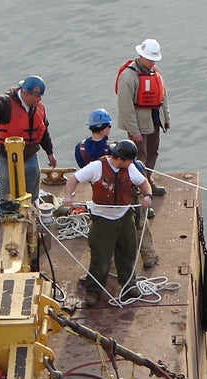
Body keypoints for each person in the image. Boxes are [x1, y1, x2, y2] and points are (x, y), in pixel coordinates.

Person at [60, 140, 154, 307]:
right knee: (100, 257)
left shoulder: (130, 168)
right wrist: (68, 196)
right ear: (121, 159)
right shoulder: (96, 167)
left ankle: (129, 284)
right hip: (102, 220)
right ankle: (93, 290)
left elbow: (143, 183)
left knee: (127, 253)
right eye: (129, 160)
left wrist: (147, 195)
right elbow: (74, 179)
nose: (131, 163)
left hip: (124, 217)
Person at [73, 108, 160, 269]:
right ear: (105, 128)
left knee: (107, 229)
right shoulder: (115, 149)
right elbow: (133, 168)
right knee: (139, 223)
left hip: (102, 195)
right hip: (124, 193)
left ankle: (110, 259)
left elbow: (83, 170)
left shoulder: (81, 148)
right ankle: (149, 255)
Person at [0, 75, 58, 202]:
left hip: (30, 157)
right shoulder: (6, 103)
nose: (40, 99)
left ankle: (33, 209)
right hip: (6, 159)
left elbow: (43, 131)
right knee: (6, 196)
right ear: (25, 93)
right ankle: (4, 211)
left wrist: (50, 153)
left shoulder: (39, 108)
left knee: (32, 194)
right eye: (37, 96)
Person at [115, 38, 170, 196]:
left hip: (154, 120)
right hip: (138, 123)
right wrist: (134, 130)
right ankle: (139, 186)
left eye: (154, 59)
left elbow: (163, 95)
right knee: (139, 155)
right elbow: (125, 107)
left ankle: (147, 179)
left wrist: (166, 117)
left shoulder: (155, 72)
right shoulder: (128, 77)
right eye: (150, 59)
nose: (153, 62)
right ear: (141, 56)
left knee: (153, 151)